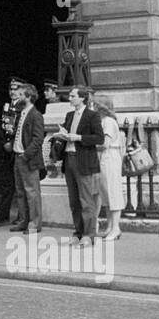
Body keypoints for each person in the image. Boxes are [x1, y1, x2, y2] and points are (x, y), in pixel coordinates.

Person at [52, 85, 103, 243]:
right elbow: (67, 134)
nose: (70, 98)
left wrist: (79, 137)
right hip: (69, 158)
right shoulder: (69, 115)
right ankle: (78, 231)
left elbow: (99, 138)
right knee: (74, 200)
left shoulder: (92, 116)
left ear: (82, 98)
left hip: (84, 160)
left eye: (73, 96)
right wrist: (62, 135)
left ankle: (89, 234)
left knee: (86, 199)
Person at [9, 83, 45, 233]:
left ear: (29, 97)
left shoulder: (35, 115)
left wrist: (26, 155)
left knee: (32, 192)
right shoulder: (21, 113)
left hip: (27, 159)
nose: (19, 97)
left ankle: (34, 223)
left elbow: (38, 139)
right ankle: (23, 220)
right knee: (20, 191)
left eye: (22, 95)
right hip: (18, 157)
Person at [0, 77, 26, 224]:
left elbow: (22, 128)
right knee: (6, 183)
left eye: (16, 89)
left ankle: (22, 215)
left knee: (21, 185)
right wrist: (4, 142)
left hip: (17, 149)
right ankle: (3, 213)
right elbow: (2, 126)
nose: (13, 92)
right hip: (5, 149)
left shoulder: (25, 106)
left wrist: (12, 143)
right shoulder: (6, 106)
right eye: (11, 89)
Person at [95, 95, 126, 240]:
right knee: (106, 193)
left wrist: (86, 143)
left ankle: (116, 227)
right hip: (104, 157)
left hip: (109, 157)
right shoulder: (102, 121)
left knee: (112, 191)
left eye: (94, 105)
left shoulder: (108, 121)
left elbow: (104, 144)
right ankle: (109, 226)